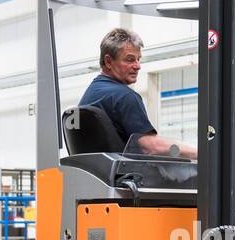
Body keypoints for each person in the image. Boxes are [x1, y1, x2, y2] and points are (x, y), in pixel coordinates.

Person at [78, 28, 197, 159]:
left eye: (138, 59)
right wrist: (198, 153)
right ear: (108, 61)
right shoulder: (124, 96)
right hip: (125, 176)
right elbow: (151, 148)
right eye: (129, 60)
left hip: (96, 176)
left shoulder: (90, 94)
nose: (138, 66)